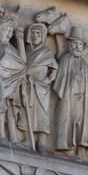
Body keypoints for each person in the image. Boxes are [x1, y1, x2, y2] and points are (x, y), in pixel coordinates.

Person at [53, 30, 88, 158]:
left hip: (83, 100)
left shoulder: (85, 64)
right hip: (69, 98)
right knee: (68, 121)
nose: (78, 47)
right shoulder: (66, 60)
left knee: (83, 122)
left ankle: (81, 148)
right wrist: (69, 91)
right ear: (69, 45)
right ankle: (67, 148)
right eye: (75, 43)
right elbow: (60, 82)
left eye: (80, 44)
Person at [0, 16, 27, 143]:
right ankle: (0, 135)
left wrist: (19, 39)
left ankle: (13, 138)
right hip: (0, 82)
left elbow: (23, 62)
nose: (9, 33)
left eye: (10, 32)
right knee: (0, 106)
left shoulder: (11, 48)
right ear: (1, 30)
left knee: (11, 110)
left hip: (13, 81)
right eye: (7, 30)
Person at [22, 23, 58, 151]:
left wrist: (48, 80)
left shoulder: (46, 51)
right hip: (28, 85)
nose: (35, 36)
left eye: (38, 33)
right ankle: (27, 140)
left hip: (41, 87)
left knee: (42, 113)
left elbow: (55, 69)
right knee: (28, 112)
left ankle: (41, 143)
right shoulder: (26, 51)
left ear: (42, 36)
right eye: (33, 33)